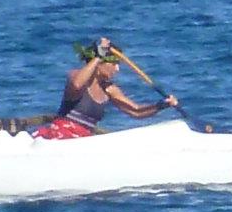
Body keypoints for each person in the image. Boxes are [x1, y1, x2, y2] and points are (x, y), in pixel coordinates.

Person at [33, 37, 179, 139]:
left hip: (84, 138)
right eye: (114, 64)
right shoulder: (76, 75)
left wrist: (162, 105)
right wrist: (98, 56)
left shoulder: (109, 89)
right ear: (100, 63)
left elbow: (136, 111)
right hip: (61, 134)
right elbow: (77, 85)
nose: (117, 69)